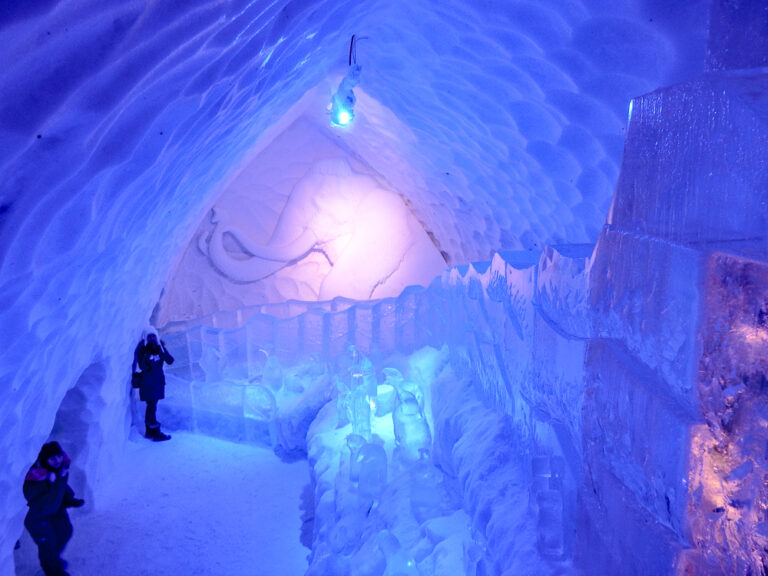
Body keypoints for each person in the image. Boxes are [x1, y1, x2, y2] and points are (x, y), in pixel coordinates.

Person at [23, 441, 84, 576]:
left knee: (65, 532)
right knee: (47, 544)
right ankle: (53, 571)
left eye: (58, 456)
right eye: (52, 458)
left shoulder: (61, 470)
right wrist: (48, 483)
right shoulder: (35, 476)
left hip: (55, 510)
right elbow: (31, 495)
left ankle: (52, 560)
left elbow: (62, 488)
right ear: (45, 460)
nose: (56, 461)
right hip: (37, 516)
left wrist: (70, 500)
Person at [132, 329, 174, 441]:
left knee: (152, 407)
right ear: (146, 338)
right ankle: (153, 431)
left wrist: (161, 352)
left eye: (154, 337)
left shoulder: (160, 348)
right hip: (148, 383)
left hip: (158, 382)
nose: (152, 340)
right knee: (151, 406)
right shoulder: (142, 349)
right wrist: (147, 354)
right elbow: (143, 367)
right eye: (150, 338)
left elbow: (170, 360)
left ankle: (151, 431)